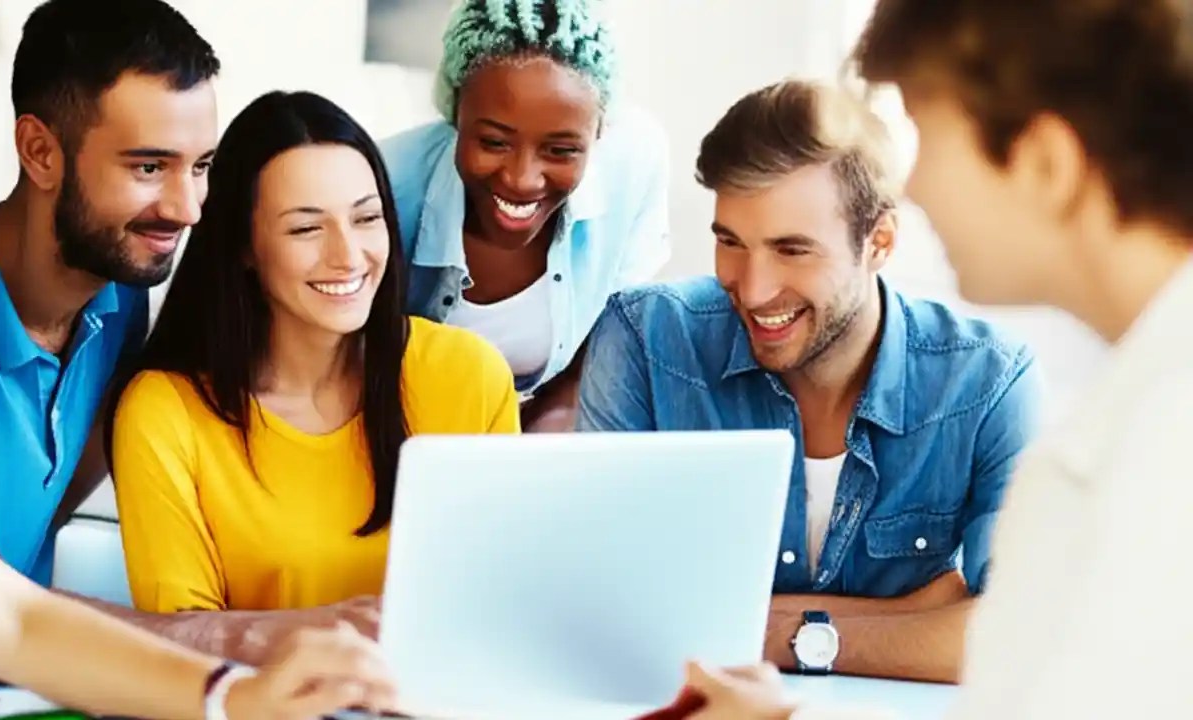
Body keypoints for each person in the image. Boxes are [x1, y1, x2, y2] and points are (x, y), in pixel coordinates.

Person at [677, 0, 1193, 717]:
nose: (911, 187)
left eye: (928, 133)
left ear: (1045, 164)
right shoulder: (1135, 410)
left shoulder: (1160, 449)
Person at [0, 6, 395, 718]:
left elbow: (14, 612)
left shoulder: (119, 300)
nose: (189, 207)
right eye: (148, 167)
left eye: (201, 167)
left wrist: (233, 693)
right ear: (40, 152)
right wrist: (249, 644)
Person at [577, 79, 1040, 684]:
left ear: (879, 242)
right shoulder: (645, 339)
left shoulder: (987, 383)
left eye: (792, 250)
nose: (754, 289)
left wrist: (781, 633)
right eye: (730, 242)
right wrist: (917, 617)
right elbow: (601, 608)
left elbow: (1023, 631)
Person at [106, 90, 519, 621]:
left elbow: (500, 601)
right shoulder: (166, 413)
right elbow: (184, 638)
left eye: (366, 219)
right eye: (306, 228)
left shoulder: (470, 376)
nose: (348, 257)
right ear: (244, 247)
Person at [380, 0, 671, 432]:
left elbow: (614, 335)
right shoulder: (384, 186)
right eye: (494, 142)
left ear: (599, 134)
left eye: (561, 150)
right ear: (455, 113)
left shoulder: (632, 168)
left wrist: (539, 432)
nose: (521, 179)